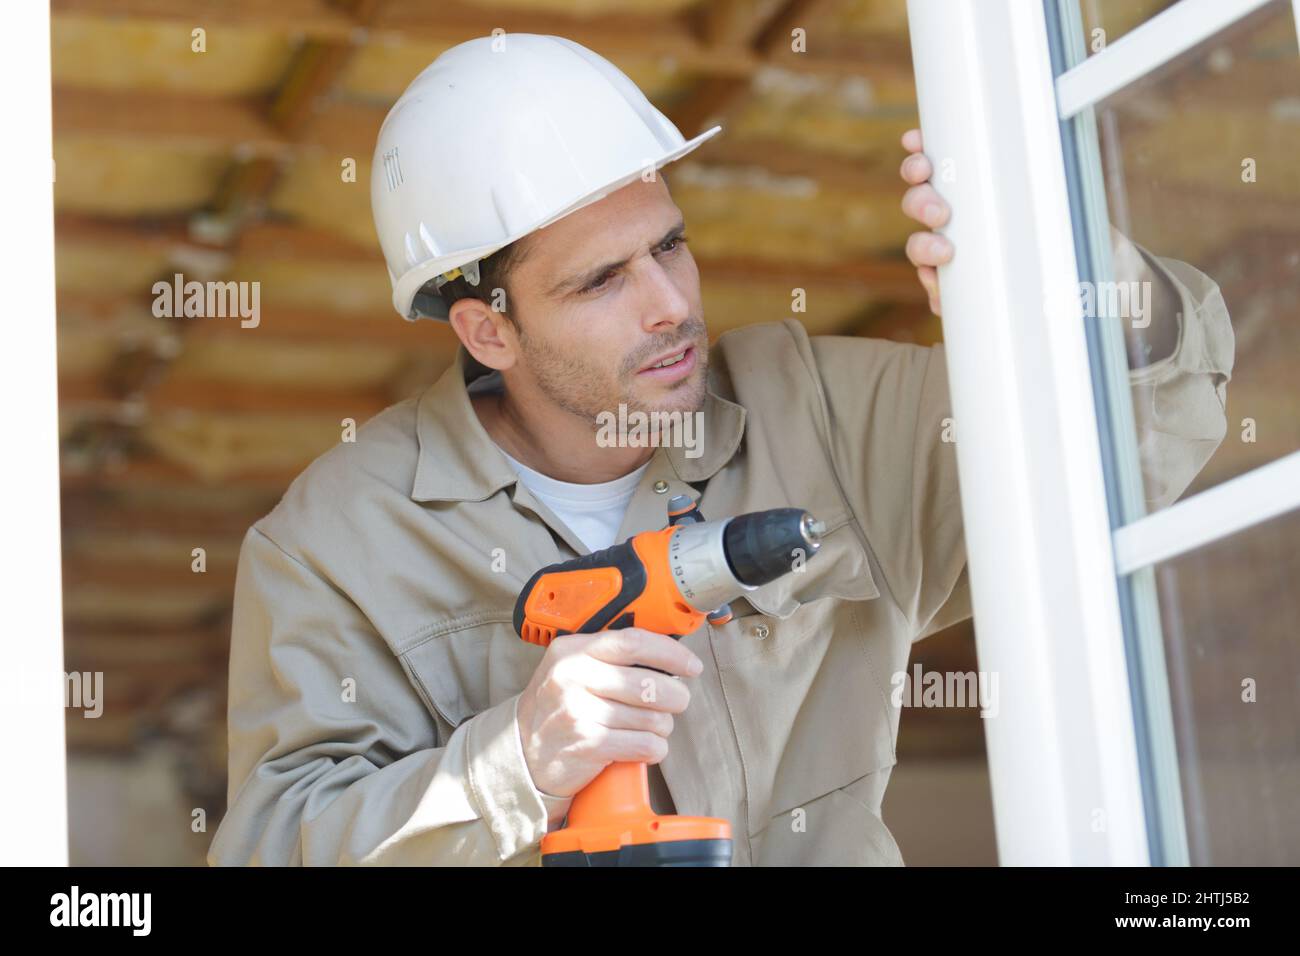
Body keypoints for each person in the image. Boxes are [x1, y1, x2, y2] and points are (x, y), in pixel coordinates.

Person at [208, 34, 1233, 865]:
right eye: (600, 281)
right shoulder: (335, 543)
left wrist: (1073, 281)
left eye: (667, 245)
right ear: (488, 330)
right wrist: (514, 763)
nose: (670, 306)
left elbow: (1144, 443)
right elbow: (268, 847)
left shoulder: (818, 417)